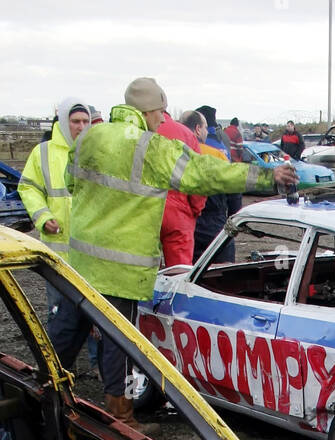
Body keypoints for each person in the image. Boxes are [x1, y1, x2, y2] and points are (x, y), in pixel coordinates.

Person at [65, 77, 296, 421]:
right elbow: (206, 173)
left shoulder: (90, 137)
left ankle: (37, 400)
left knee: (65, 338)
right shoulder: (150, 147)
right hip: (120, 272)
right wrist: (267, 177)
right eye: (160, 113)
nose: (163, 121)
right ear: (150, 110)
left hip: (80, 265)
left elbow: (72, 183)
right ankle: (120, 421)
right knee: (118, 347)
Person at [18, 98, 95, 365]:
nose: (81, 127)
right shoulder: (43, 152)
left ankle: (97, 366)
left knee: (98, 312)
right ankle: (58, 368)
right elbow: (28, 187)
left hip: (92, 251)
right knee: (59, 311)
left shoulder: (96, 150)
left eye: (86, 121)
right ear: (63, 122)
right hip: (58, 250)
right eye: (75, 121)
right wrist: (43, 217)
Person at [193, 104, 243, 266]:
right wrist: (235, 217)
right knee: (223, 272)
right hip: (216, 217)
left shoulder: (184, 146)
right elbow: (233, 187)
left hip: (192, 220)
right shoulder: (222, 144)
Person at [158, 111, 205, 267]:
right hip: (178, 212)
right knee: (179, 268)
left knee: (144, 267)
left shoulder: (135, 130)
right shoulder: (185, 134)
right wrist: (196, 209)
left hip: (144, 208)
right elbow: (197, 179)